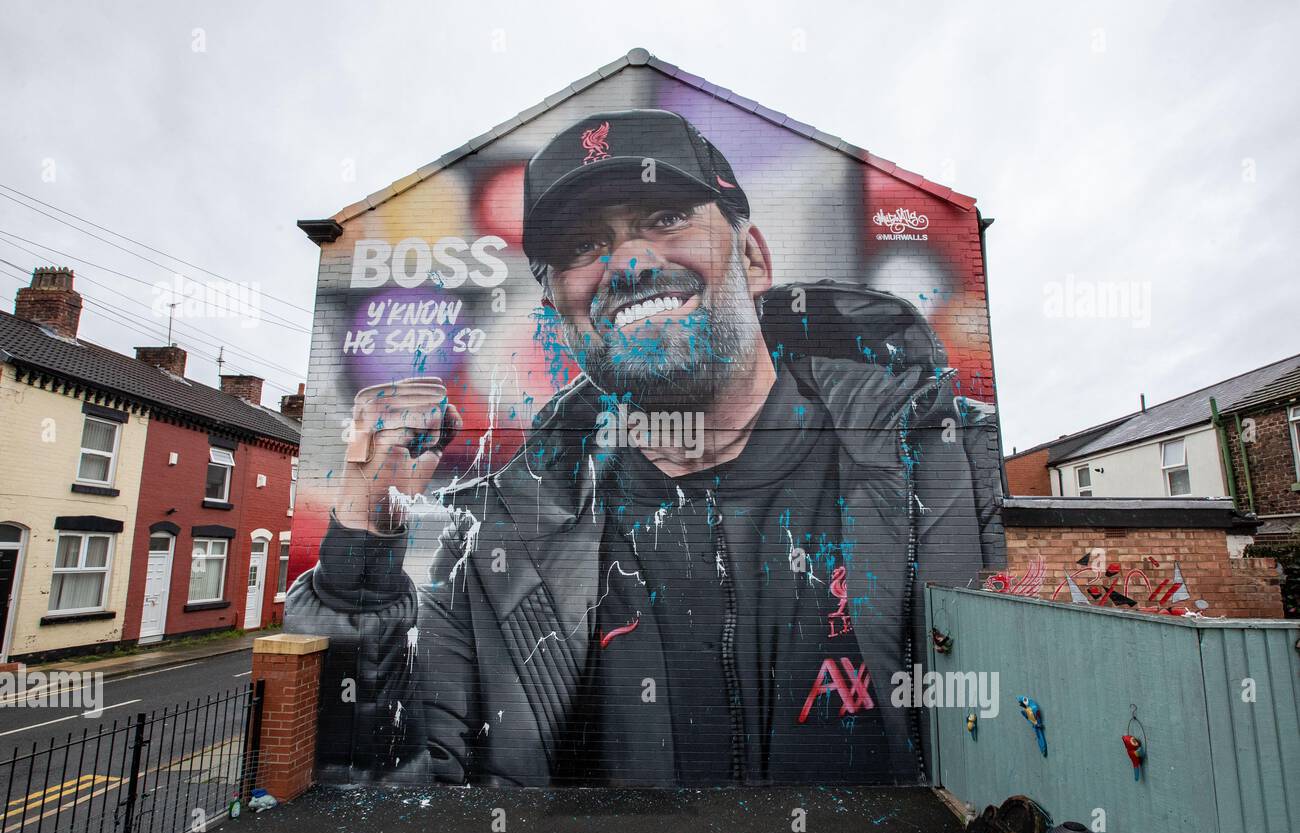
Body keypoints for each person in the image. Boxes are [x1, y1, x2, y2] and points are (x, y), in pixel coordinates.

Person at [287, 109, 999, 786]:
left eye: (665, 218)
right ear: (558, 314)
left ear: (752, 257)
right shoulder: (496, 544)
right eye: (582, 247)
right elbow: (395, 788)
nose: (627, 262)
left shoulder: (943, 463)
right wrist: (360, 560)